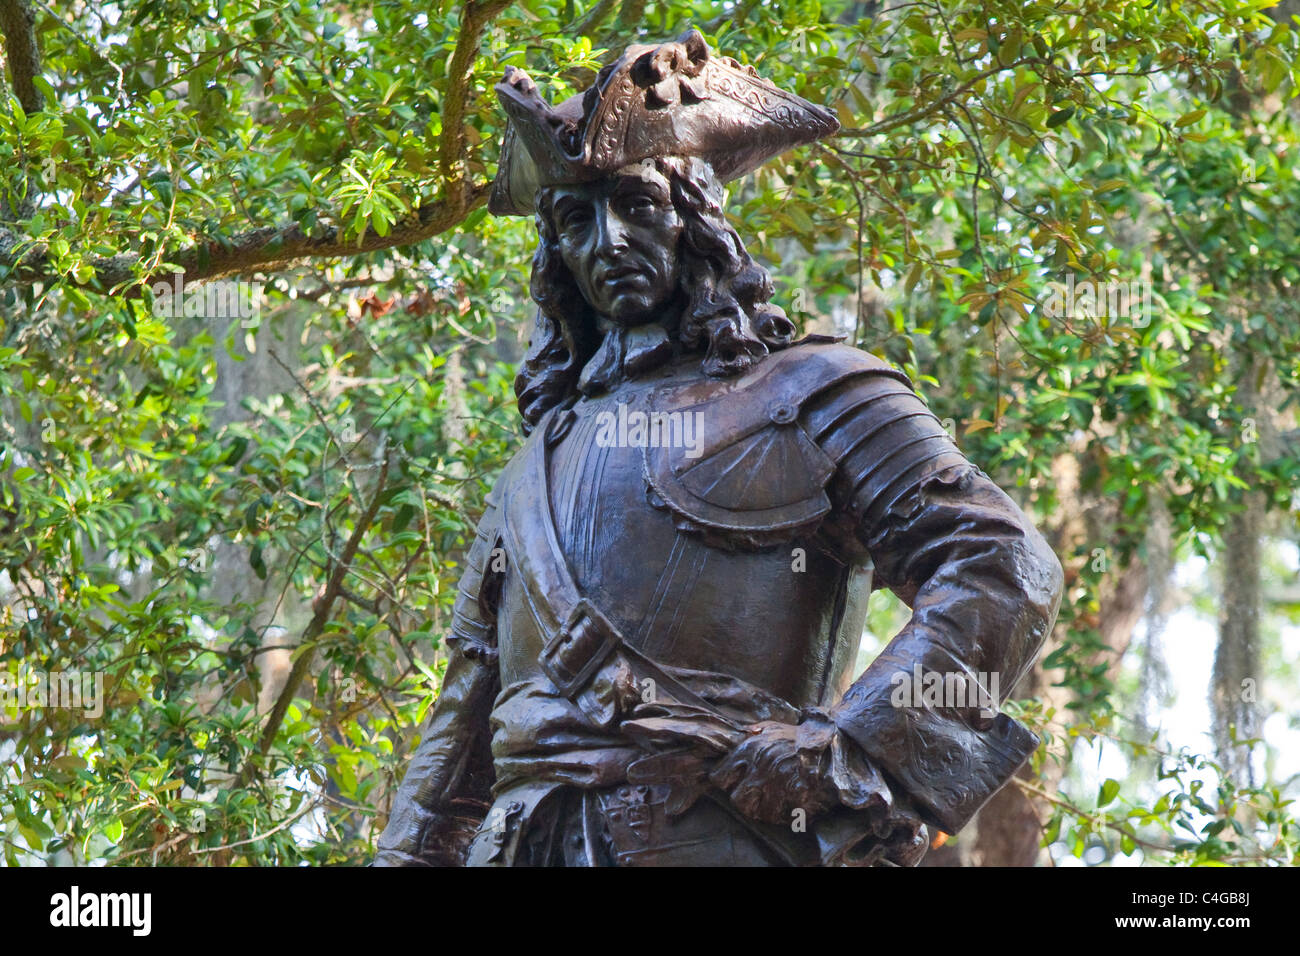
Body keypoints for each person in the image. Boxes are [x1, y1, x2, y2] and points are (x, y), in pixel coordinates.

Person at [373, 29, 1063, 867]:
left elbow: (1000, 564)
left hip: (717, 838)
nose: (610, 243)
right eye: (576, 220)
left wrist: (855, 747)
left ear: (697, 220)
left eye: (637, 206)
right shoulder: (537, 461)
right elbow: (465, 711)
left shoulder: (814, 391)